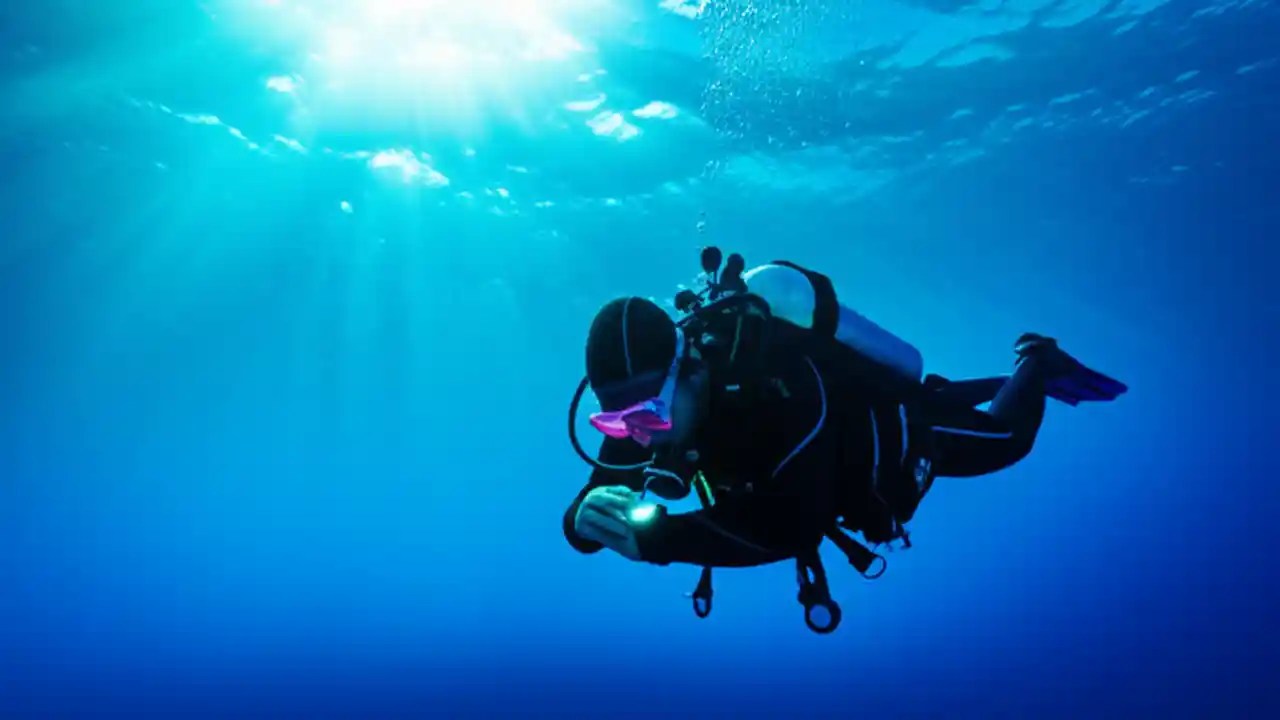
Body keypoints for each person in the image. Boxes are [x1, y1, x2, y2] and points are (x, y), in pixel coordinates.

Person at [561, 247, 1127, 633]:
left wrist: (658, 540)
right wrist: (583, 518)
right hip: (833, 451)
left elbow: (790, 526)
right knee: (948, 398)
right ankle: (974, 386)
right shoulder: (648, 408)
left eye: (647, 414)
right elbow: (587, 519)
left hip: (898, 437)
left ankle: (1035, 361)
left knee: (1005, 439)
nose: (636, 436)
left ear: (688, 371)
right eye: (615, 422)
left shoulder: (778, 390)